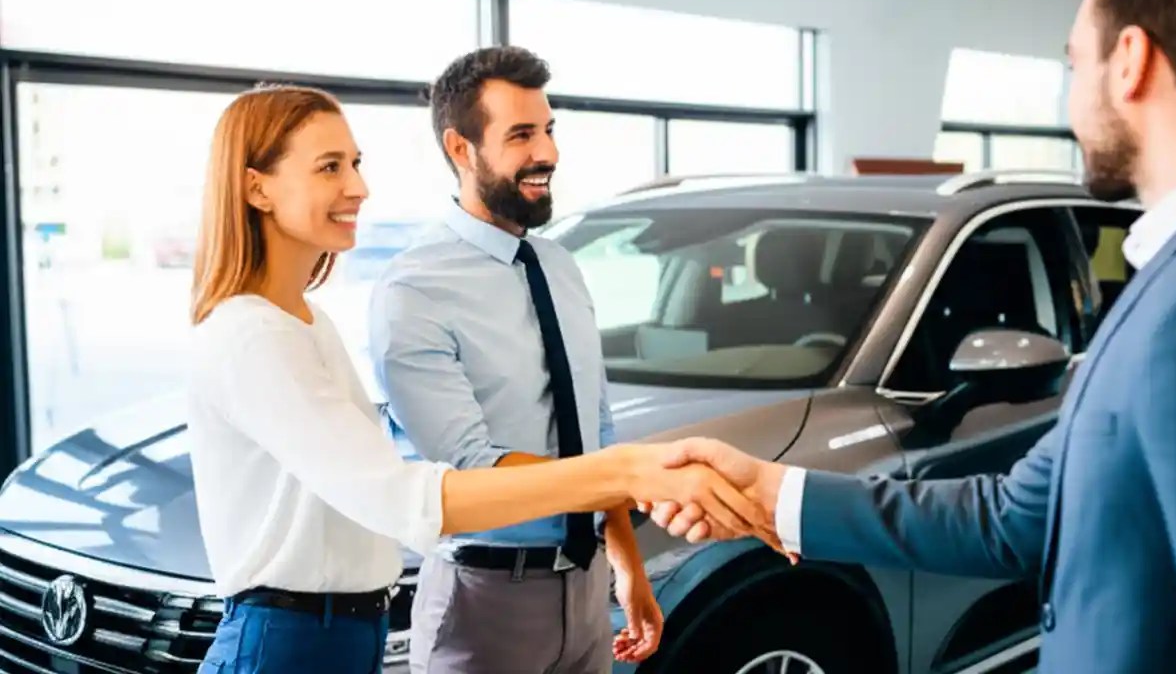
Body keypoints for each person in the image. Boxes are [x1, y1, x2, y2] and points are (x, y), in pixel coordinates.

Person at [643, 0, 1176, 672]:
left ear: (1129, 61)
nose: (1071, 99)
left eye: (1074, 63)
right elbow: (1016, 518)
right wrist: (769, 492)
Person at [187, 83, 775, 674]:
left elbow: (588, 428)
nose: (358, 187)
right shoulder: (255, 334)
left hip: (344, 633)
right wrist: (626, 474)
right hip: (290, 641)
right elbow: (405, 493)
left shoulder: (306, 321)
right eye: (329, 167)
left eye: (356, 163)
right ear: (256, 186)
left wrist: (622, 531)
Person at [367, 46, 656, 674]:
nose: (547, 152)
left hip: (586, 593)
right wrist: (641, 477)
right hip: (484, 604)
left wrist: (627, 565)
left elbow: (595, 429)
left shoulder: (560, 265)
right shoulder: (413, 289)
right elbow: (473, 467)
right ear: (461, 148)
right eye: (521, 134)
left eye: (548, 130)